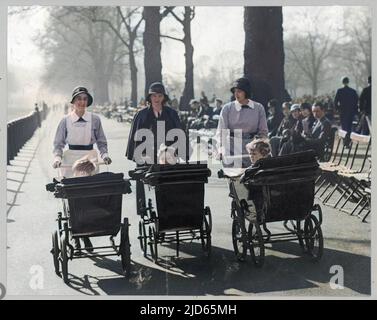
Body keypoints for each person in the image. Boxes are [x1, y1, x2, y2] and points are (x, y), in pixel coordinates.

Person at [52, 86, 112, 252]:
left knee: (89, 196)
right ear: (73, 102)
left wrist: (105, 155)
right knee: (73, 198)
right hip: (70, 159)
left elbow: (101, 142)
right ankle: (78, 235)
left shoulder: (95, 120)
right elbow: (58, 144)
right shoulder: (65, 121)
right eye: (79, 99)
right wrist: (57, 158)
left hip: (89, 158)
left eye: (85, 99)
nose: (82, 102)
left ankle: (85, 233)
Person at [126, 82, 190, 215]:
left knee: (170, 180)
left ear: (163, 97)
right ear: (149, 97)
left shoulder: (171, 114)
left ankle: (171, 207)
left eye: (159, 95)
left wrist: (176, 150)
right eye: (153, 95)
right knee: (146, 178)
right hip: (147, 154)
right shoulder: (141, 115)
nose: (156, 98)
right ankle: (144, 207)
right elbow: (136, 138)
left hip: (167, 154)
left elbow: (178, 133)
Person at [216, 77, 268, 168]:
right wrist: (221, 148)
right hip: (232, 146)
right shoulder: (227, 108)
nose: (236, 94)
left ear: (246, 92)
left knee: (253, 176)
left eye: (239, 91)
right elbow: (221, 131)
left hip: (252, 147)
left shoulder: (258, 108)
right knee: (233, 175)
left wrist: (262, 147)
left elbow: (263, 132)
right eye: (235, 91)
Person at [334, 77, 358, 145]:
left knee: (344, 127)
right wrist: (355, 111)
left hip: (343, 111)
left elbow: (335, 101)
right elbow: (356, 102)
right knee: (350, 127)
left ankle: (345, 141)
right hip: (351, 111)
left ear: (342, 82)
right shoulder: (353, 91)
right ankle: (349, 141)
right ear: (348, 82)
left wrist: (338, 109)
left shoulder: (339, 90)